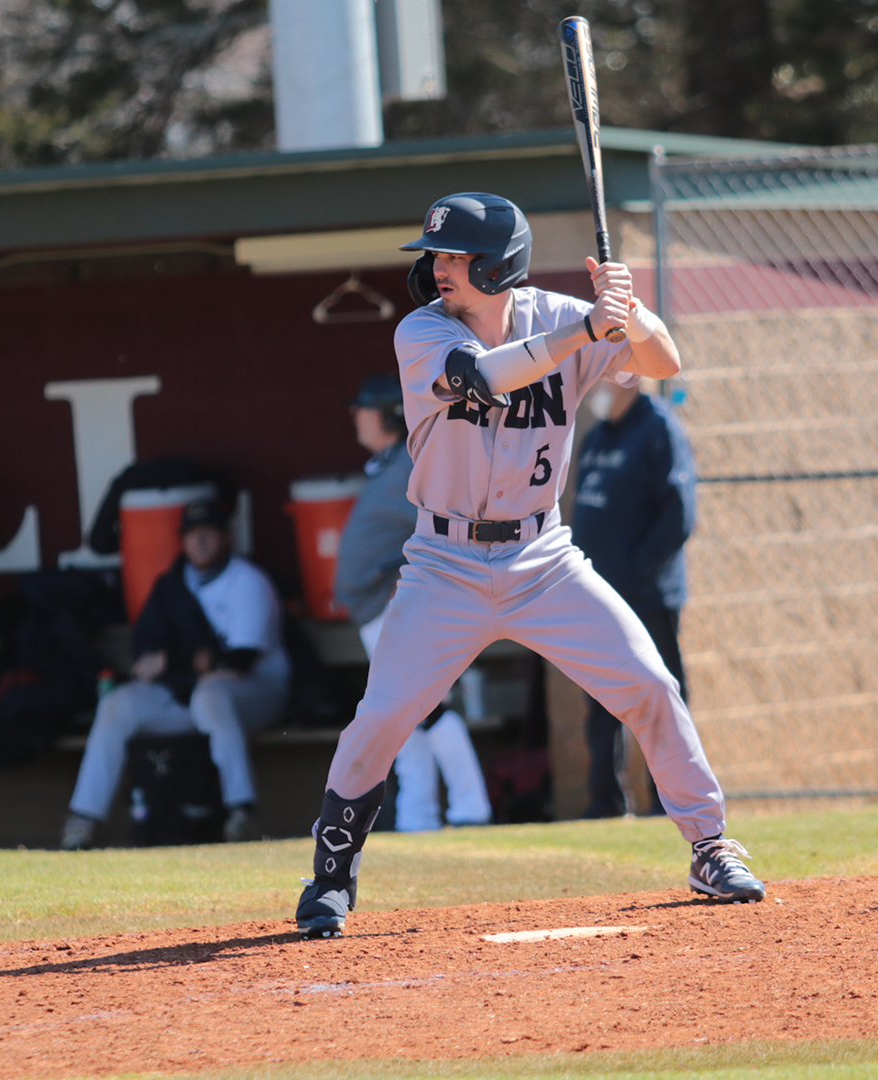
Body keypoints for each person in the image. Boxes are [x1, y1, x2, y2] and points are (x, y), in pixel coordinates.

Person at [293, 192, 764, 939]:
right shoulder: (423, 331)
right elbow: (481, 377)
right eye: (438, 256)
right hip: (444, 562)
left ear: (498, 264)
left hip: (542, 557)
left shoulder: (562, 314)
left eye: (456, 256)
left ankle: (709, 846)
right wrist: (587, 328)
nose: (441, 268)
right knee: (381, 719)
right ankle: (330, 876)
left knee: (649, 686)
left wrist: (630, 313)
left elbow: (663, 362)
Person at [62, 497, 288, 848]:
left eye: (209, 532)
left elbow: (239, 662)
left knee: (211, 695)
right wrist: (192, 663)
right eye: (192, 533)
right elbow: (146, 655)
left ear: (226, 537)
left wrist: (171, 662)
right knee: (118, 703)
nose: (200, 541)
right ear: (182, 540)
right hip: (189, 693)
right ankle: (83, 819)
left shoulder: (247, 581)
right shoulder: (171, 586)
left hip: (259, 692)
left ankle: (239, 811)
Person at [335, 373, 492, 832]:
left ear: (387, 415)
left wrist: (408, 581)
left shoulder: (411, 464)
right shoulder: (393, 463)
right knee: (404, 720)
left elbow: (445, 530)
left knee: (427, 710)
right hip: (378, 611)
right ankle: (418, 818)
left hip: (396, 609)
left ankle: (471, 809)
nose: (356, 416)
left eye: (364, 408)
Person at [572, 375, 696, 818]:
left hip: (647, 597)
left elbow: (678, 515)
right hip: (598, 597)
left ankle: (672, 802)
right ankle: (605, 802)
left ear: (628, 376)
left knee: (660, 699)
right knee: (601, 702)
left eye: (605, 373)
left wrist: (636, 569)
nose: (596, 383)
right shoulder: (596, 436)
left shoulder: (658, 428)